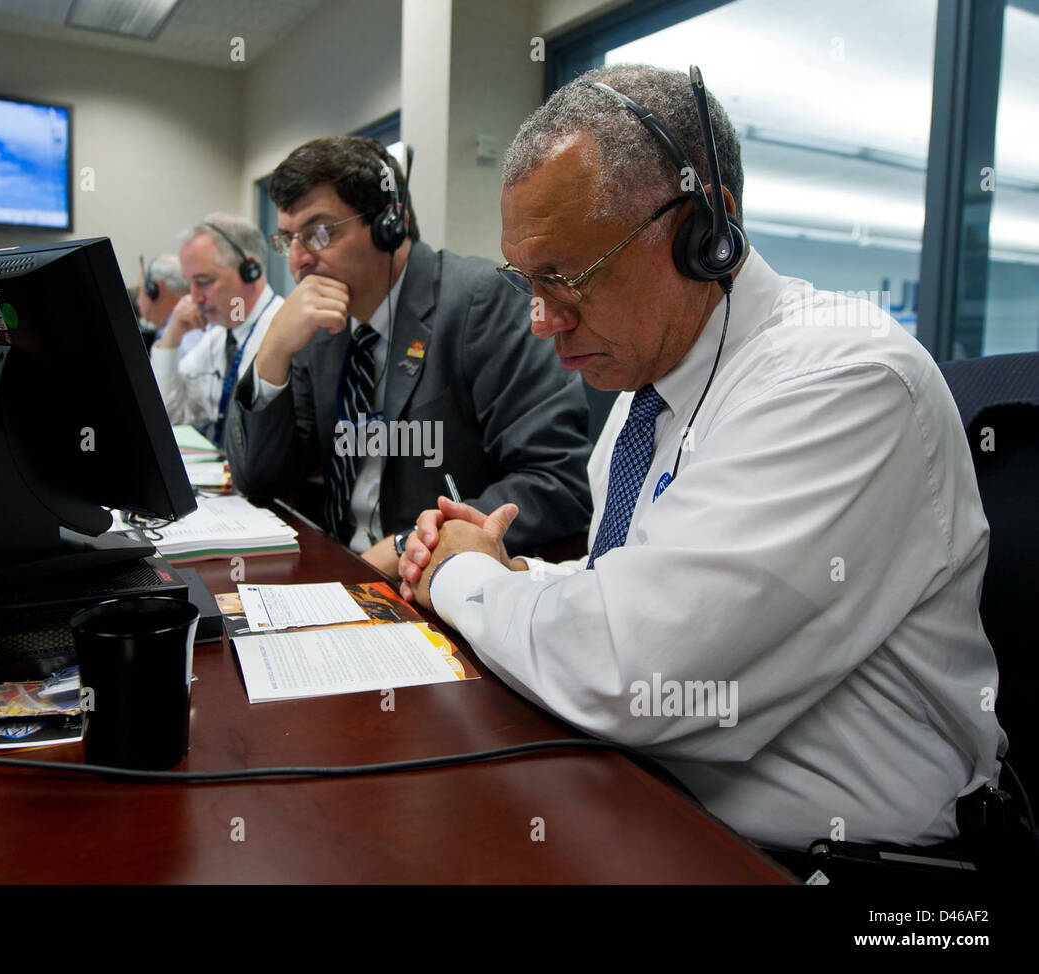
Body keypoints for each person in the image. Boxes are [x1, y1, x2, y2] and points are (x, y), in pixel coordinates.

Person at [398, 64, 1005, 855]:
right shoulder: (647, 395)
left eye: (568, 275)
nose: (543, 321)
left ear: (701, 230)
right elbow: (643, 586)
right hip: (661, 809)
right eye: (527, 280)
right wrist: (513, 570)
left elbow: (633, 675)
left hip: (844, 873)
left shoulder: (844, 381)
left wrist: (460, 575)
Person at [223, 136, 594, 578]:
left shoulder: (479, 303)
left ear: (389, 224)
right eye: (288, 240)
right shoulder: (318, 329)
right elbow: (258, 481)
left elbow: (558, 483)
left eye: (319, 233)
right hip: (338, 568)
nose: (299, 261)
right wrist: (273, 351)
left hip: (436, 590)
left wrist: (409, 545)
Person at [149, 216, 280, 440]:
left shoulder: (284, 330)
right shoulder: (218, 338)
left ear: (250, 270)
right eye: (189, 283)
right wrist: (171, 337)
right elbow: (168, 414)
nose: (195, 297)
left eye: (204, 282)